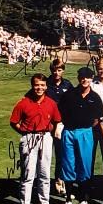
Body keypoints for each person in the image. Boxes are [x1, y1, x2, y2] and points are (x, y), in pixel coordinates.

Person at [10, 73, 61, 204]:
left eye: (42, 85)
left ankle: (44, 203)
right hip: (29, 137)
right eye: (36, 85)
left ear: (46, 86)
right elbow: (14, 122)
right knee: (28, 173)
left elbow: (57, 120)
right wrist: (25, 133)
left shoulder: (51, 103)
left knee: (44, 172)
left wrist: (50, 130)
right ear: (32, 86)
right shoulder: (24, 103)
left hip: (45, 137)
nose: (39, 88)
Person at [59, 67, 103, 204]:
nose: (85, 80)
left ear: (92, 79)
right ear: (79, 79)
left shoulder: (95, 97)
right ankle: (68, 200)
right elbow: (60, 113)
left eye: (88, 77)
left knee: (84, 166)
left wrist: (85, 128)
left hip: (85, 132)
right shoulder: (69, 94)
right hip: (69, 132)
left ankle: (83, 199)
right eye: (82, 77)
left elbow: (97, 119)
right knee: (69, 165)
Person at [45, 58, 73, 195]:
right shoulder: (45, 84)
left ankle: (59, 181)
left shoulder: (67, 84)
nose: (57, 73)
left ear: (63, 70)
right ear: (51, 70)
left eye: (60, 70)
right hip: (46, 125)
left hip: (61, 124)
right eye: (54, 70)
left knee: (61, 155)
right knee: (45, 156)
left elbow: (74, 100)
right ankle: (42, 183)